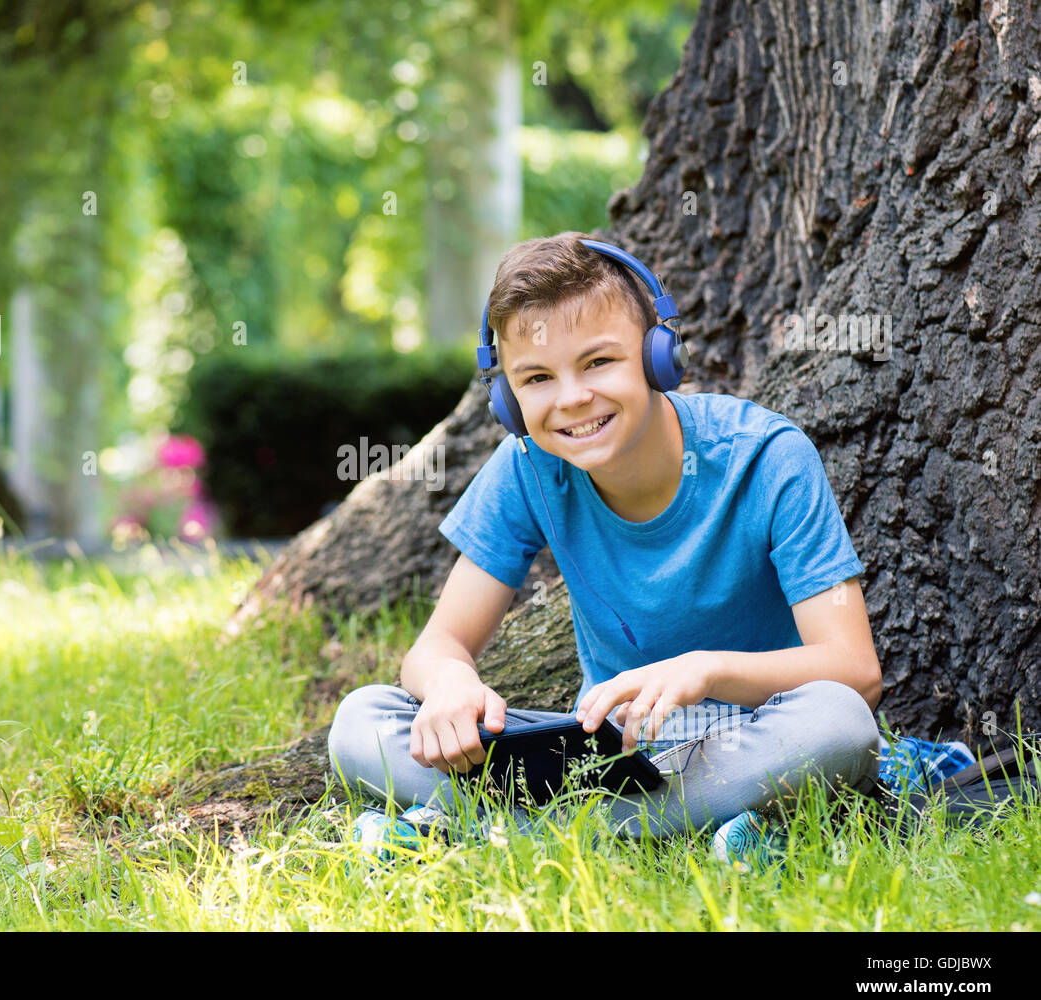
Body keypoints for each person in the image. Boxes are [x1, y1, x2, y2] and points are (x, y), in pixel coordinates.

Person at [327, 230, 883, 864]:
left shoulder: (769, 457)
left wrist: (706, 669)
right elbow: (437, 646)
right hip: (614, 755)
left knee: (837, 727)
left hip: (751, 732)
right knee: (361, 720)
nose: (571, 398)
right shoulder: (527, 467)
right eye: (536, 377)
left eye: (598, 362)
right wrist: (451, 683)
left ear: (656, 359)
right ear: (508, 400)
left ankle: (508, 830)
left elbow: (855, 671)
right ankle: (695, 826)